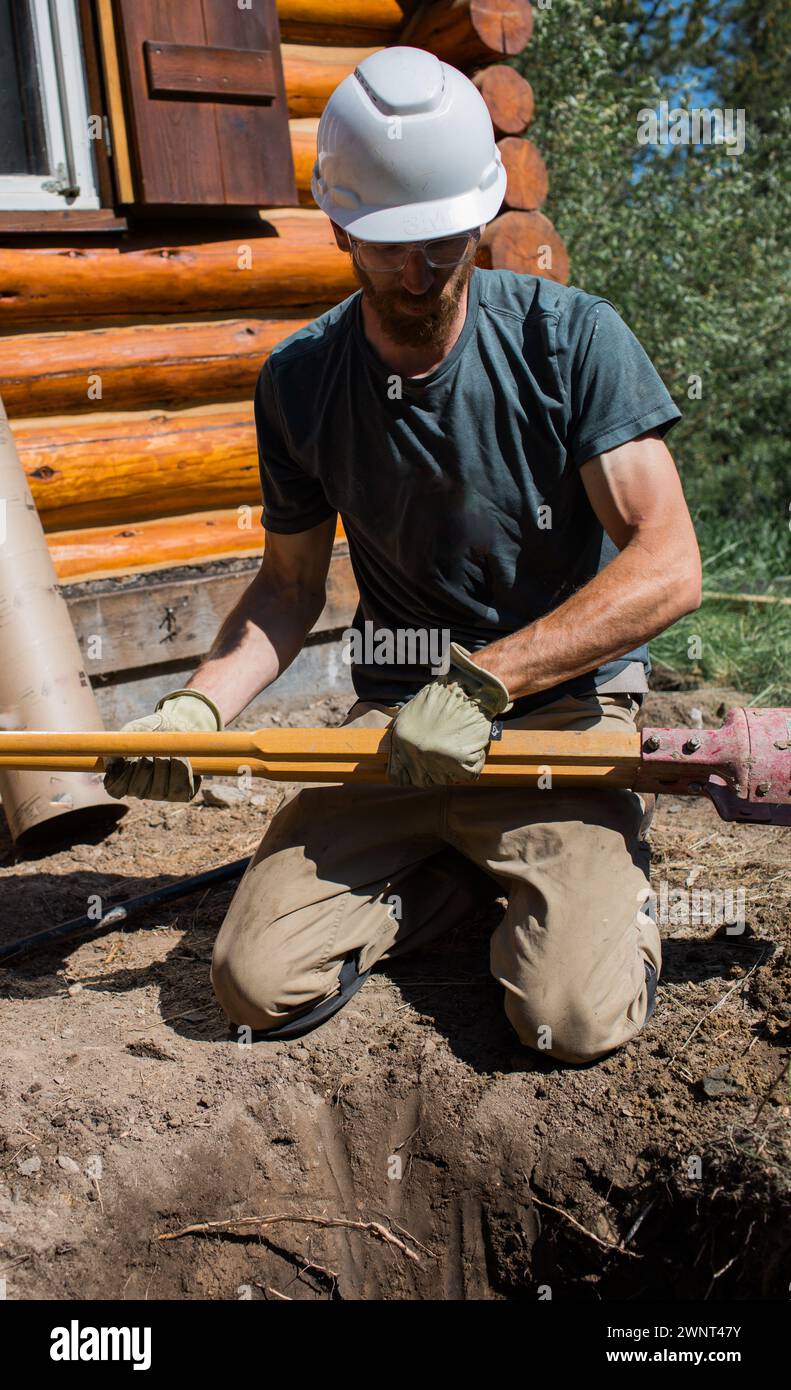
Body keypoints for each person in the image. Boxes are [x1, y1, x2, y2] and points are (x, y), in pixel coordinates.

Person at [104, 47, 702, 1063]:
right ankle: (449, 876)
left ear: (478, 216)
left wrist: (486, 683)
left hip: (557, 717)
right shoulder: (299, 384)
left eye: (445, 241)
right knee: (253, 984)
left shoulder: (570, 343)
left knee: (568, 1019)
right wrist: (199, 705)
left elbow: (668, 561)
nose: (424, 271)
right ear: (339, 225)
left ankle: (591, 879)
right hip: (392, 726)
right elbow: (286, 590)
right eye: (393, 247)